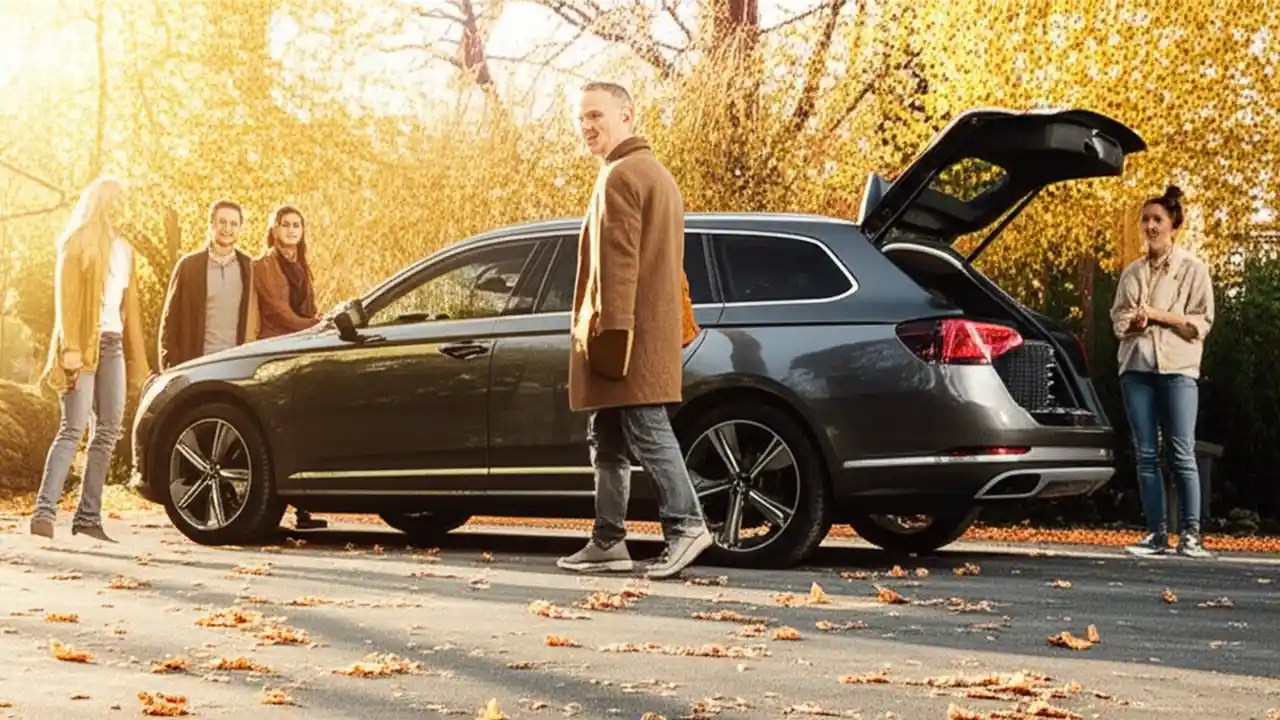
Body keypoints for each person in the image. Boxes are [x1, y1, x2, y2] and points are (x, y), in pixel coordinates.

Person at [556, 81, 712, 580]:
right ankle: (608, 540)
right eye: (582, 117)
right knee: (607, 435)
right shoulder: (654, 173)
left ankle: (687, 526)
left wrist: (612, 335)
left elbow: (618, 265)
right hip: (649, 329)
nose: (587, 126)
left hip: (629, 335)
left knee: (646, 430)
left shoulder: (621, 176)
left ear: (628, 116)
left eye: (597, 115)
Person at [29, 176, 152, 541]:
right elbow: (65, 299)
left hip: (113, 344)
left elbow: (129, 309)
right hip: (81, 345)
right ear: (99, 202)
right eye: (113, 200)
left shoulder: (125, 249)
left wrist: (139, 362)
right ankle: (43, 513)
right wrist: (70, 348)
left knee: (109, 428)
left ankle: (87, 517)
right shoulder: (76, 242)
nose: (119, 207)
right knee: (73, 427)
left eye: (123, 201)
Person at [1110, 185, 1215, 558]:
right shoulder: (1132, 273)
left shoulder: (1193, 270)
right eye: (1146, 220)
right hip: (1137, 369)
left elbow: (1199, 323)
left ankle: (1190, 535)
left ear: (1173, 225)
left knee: (1182, 452)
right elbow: (1118, 321)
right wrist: (1136, 324)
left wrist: (1155, 315)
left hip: (1178, 369)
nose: (1150, 226)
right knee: (1146, 454)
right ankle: (1156, 535)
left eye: (1158, 220)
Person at [253, 205, 326, 530]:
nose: (292, 230)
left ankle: (304, 509)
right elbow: (277, 311)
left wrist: (319, 323)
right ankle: (272, 508)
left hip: (301, 344)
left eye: (297, 225)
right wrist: (313, 326)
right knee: (279, 424)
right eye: (286, 225)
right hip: (277, 344)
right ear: (275, 229)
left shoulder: (302, 264)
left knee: (304, 422)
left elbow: (308, 305)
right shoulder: (264, 265)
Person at [158, 199, 259, 372]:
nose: (227, 229)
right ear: (211, 224)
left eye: (234, 224)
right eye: (222, 222)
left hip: (237, 363)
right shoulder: (189, 267)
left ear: (240, 228)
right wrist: (169, 364)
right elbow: (170, 321)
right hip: (197, 364)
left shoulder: (250, 268)